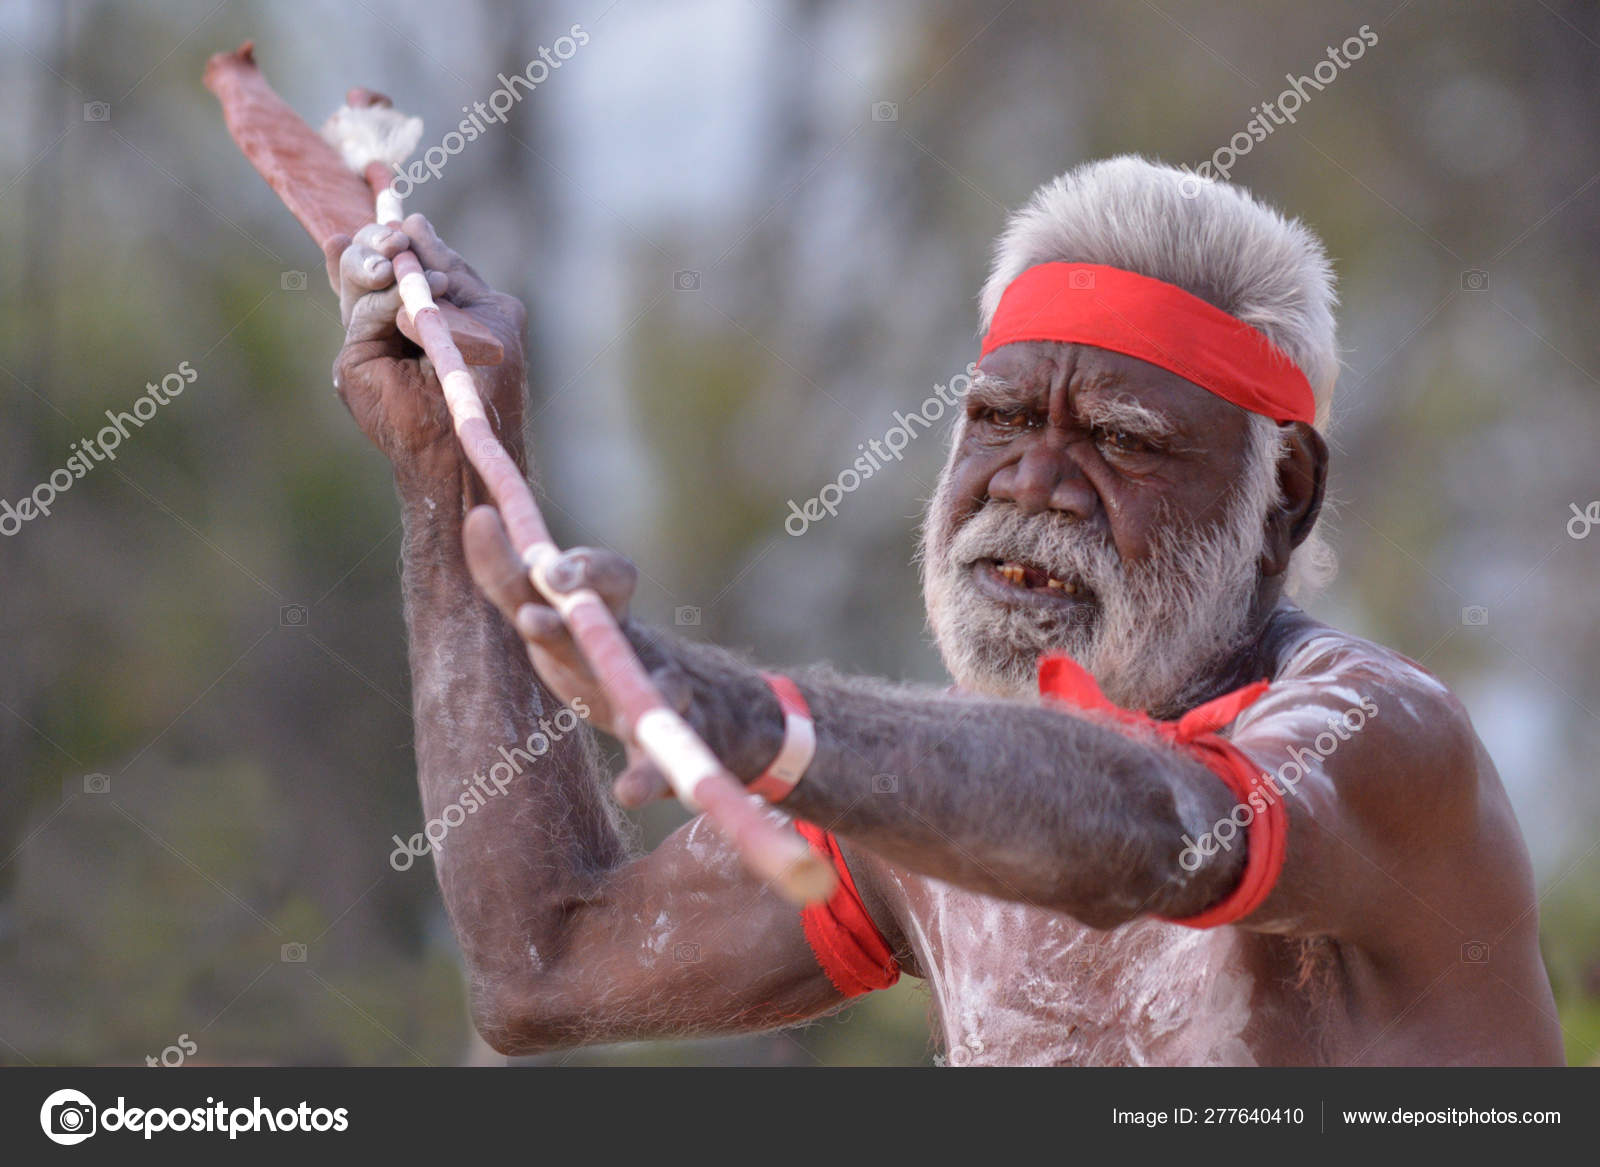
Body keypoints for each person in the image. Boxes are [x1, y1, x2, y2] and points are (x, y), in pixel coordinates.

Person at [324, 156, 1563, 1065]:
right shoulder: (926, 818)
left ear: (1282, 499)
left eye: (1123, 443)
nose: (1030, 485)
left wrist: (751, 723)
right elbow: (547, 970)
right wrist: (444, 472)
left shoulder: (1380, 737)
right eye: (1002, 420)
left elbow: (1151, 827)